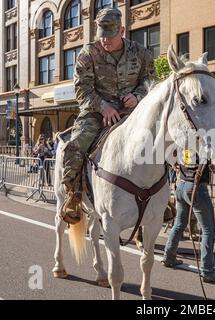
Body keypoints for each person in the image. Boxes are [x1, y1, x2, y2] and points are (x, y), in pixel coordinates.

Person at [61, 8, 155, 224]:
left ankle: (162, 197)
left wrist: (138, 95)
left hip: (132, 111)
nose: (105, 40)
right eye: (101, 34)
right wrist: (103, 106)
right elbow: (82, 88)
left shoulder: (141, 53)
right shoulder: (87, 54)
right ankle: (73, 195)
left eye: (110, 35)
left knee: (158, 143)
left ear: (122, 30)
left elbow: (151, 80)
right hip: (96, 112)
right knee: (76, 145)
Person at [162, 149, 215, 283]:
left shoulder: (184, 143)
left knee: (179, 223)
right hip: (196, 187)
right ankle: (207, 270)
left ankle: (169, 256)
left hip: (181, 185)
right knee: (208, 229)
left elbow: (171, 155)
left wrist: (175, 164)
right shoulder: (204, 144)